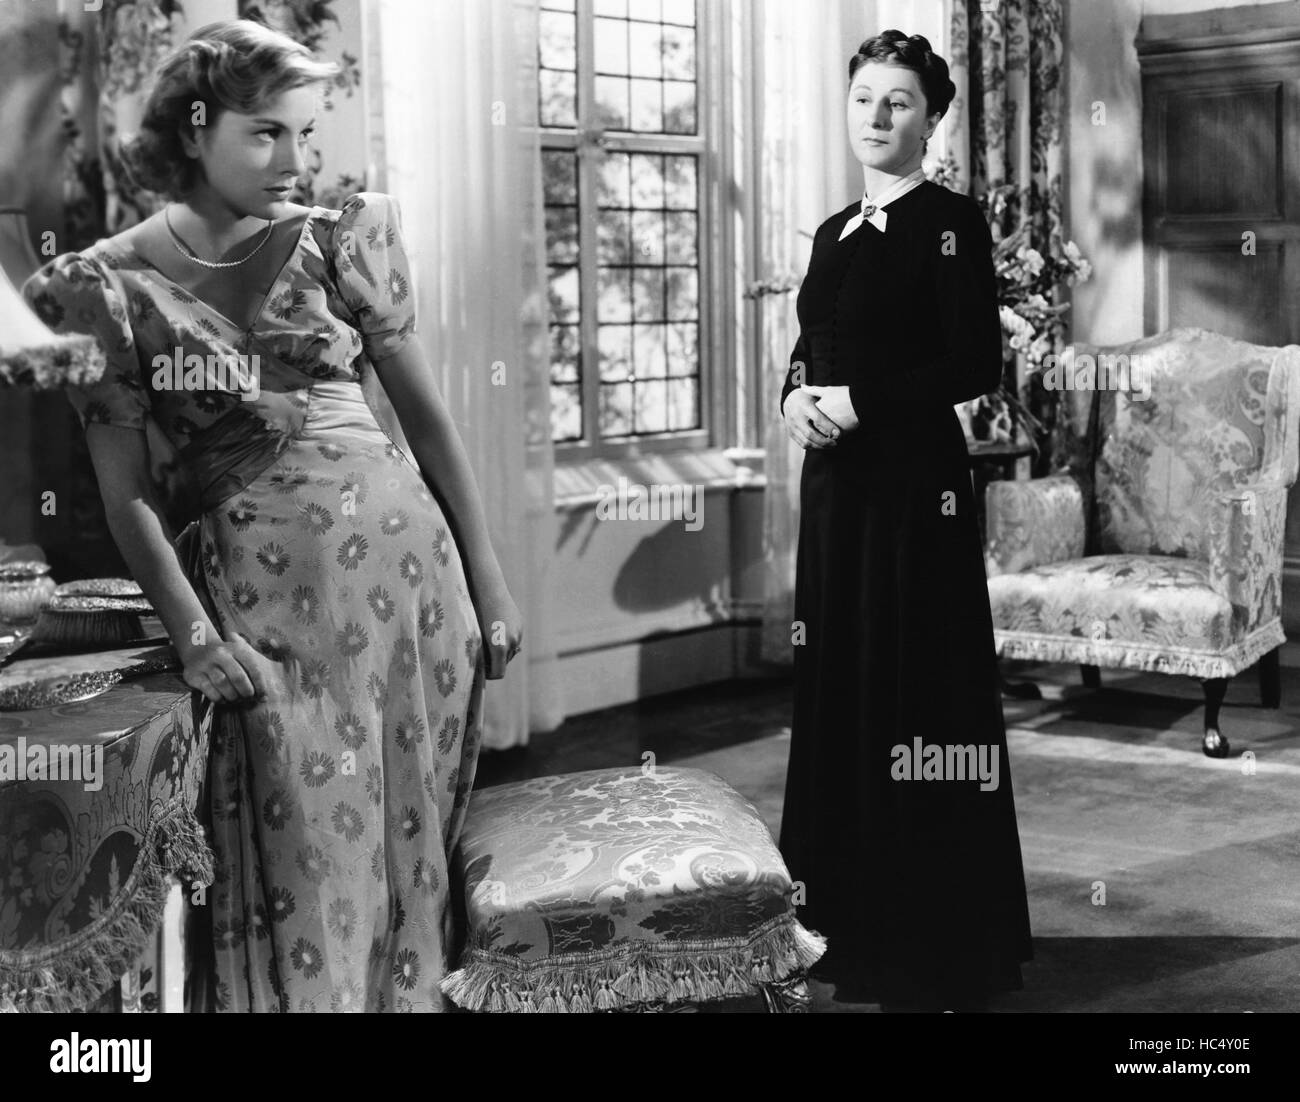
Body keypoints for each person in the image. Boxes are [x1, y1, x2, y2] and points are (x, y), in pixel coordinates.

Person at [23, 19, 522, 1012]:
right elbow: (124, 489)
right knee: (303, 847)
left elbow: (427, 422)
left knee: (410, 842)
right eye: (268, 132)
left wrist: (490, 580)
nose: (298, 159)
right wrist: (194, 634)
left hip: (408, 587)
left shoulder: (343, 237)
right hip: (264, 603)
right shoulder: (106, 285)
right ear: (192, 131)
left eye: (305, 132)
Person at [777, 29, 1033, 1011]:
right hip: (836, 495)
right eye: (862, 100)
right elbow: (812, 347)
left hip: (912, 498)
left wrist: (864, 404)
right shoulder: (832, 231)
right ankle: (836, 916)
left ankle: (928, 940)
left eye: (896, 102)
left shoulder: (951, 223)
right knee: (839, 689)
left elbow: (974, 365)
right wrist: (794, 397)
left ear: (932, 117)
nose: (875, 117)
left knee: (914, 697)